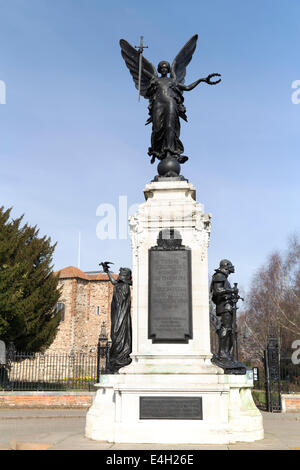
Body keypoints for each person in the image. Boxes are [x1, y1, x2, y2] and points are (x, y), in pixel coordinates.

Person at [103, 265, 132, 373]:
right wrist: (107, 272)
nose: (118, 276)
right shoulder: (119, 285)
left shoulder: (124, 287)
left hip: (121, 315)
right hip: (117, 314)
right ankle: (116, 359)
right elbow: (113, 282)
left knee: (118, 334)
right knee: (115, 334)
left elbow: (122, 302)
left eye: (121, 274)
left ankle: (120, 358)